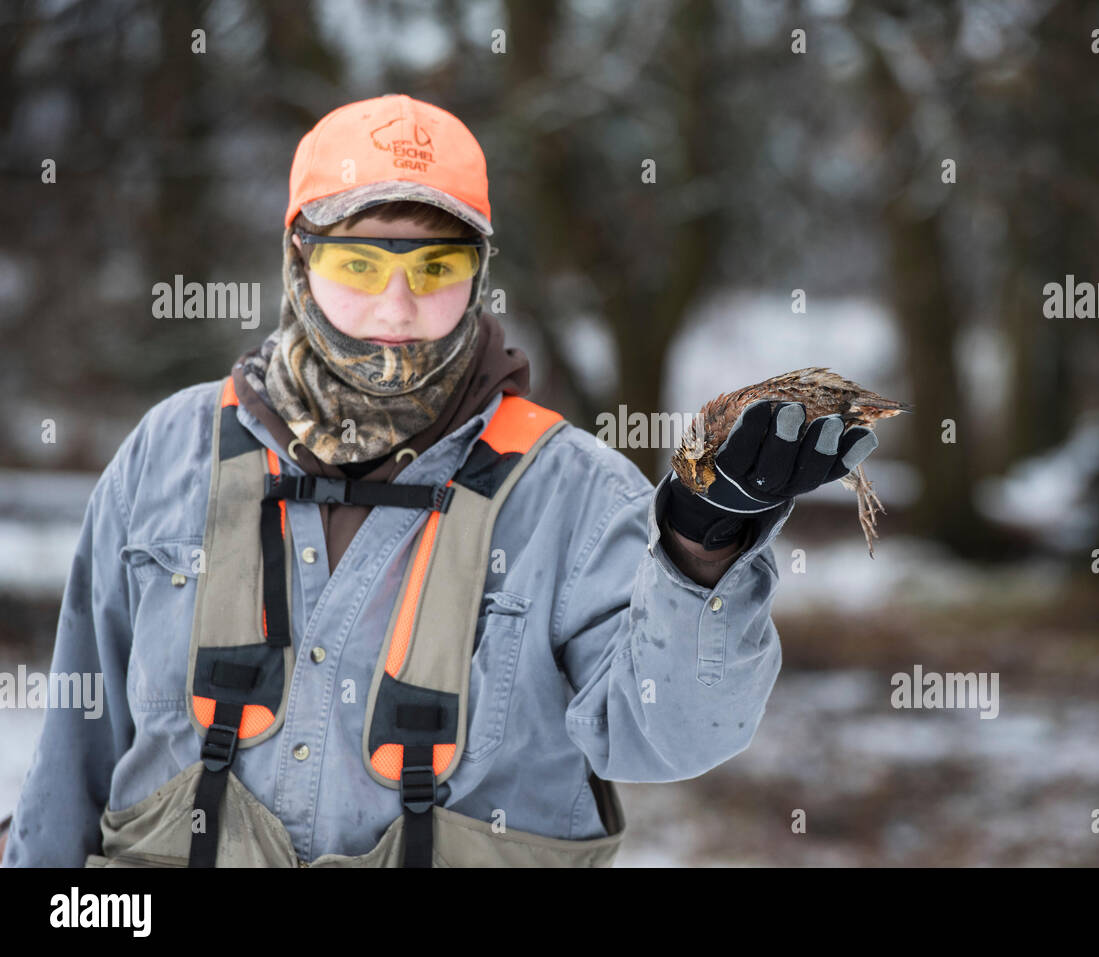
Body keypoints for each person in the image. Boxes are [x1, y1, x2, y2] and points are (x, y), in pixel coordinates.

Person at [1, 94, 878, 867]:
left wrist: (703, 547)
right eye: (358, 263)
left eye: (435, 267)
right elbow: (77, 747)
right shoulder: (169, 451)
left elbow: (673, 736)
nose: (396, 306)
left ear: (480, 272)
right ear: (299, 258)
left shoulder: (572, 494)